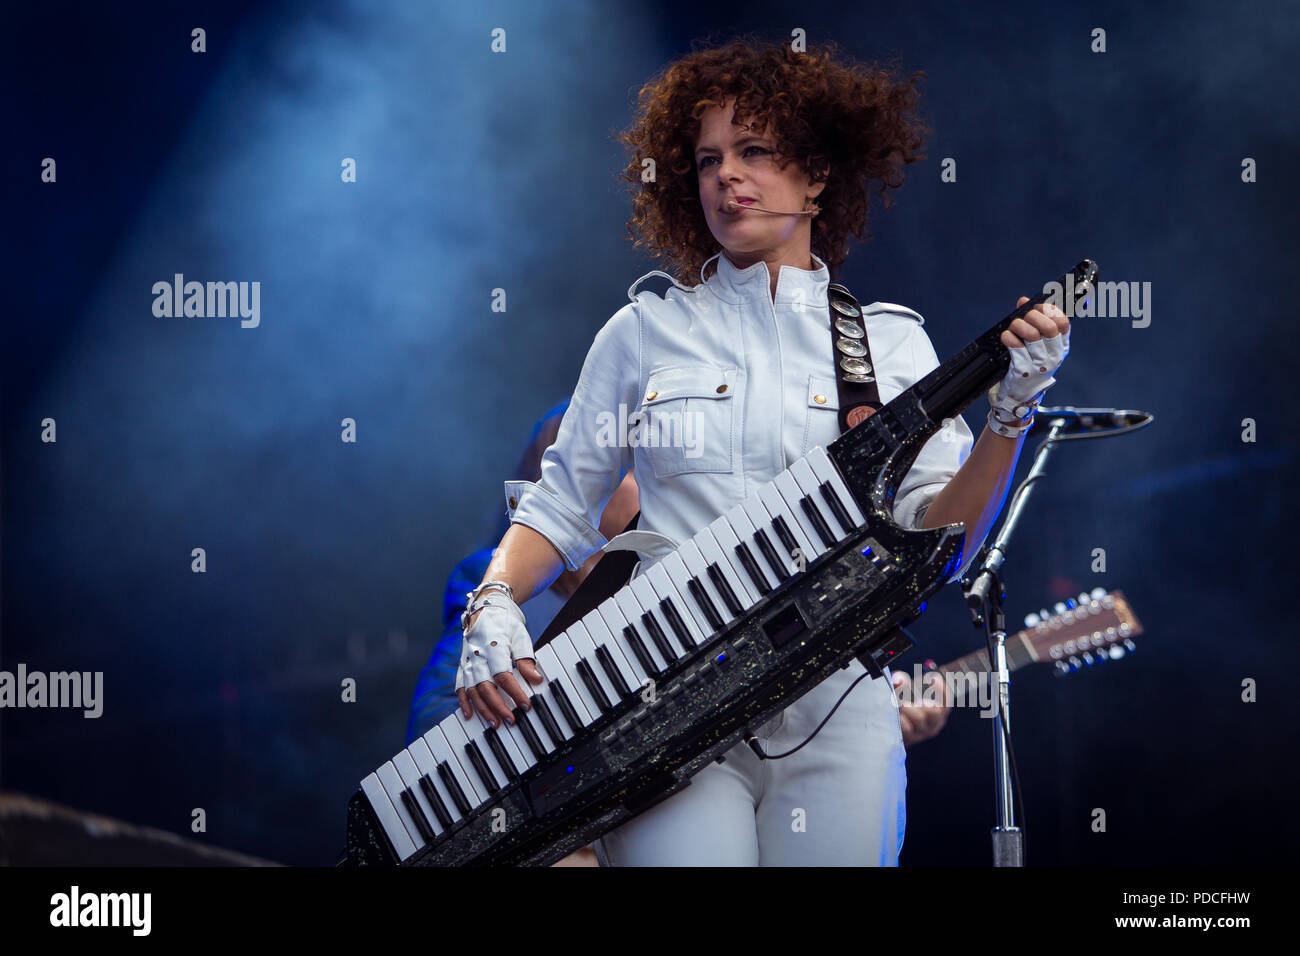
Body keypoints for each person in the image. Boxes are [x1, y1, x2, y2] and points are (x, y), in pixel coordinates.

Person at [454, 37, 1070, 866]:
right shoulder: (642, 332)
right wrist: (492, 601)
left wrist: (1012, 415)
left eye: (755, 153)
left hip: (839, 702)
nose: (726, 178)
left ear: (816, 176)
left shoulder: (887, 343)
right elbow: (562, 505)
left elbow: (943, 544)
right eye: (708, 160)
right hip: (665, 705)